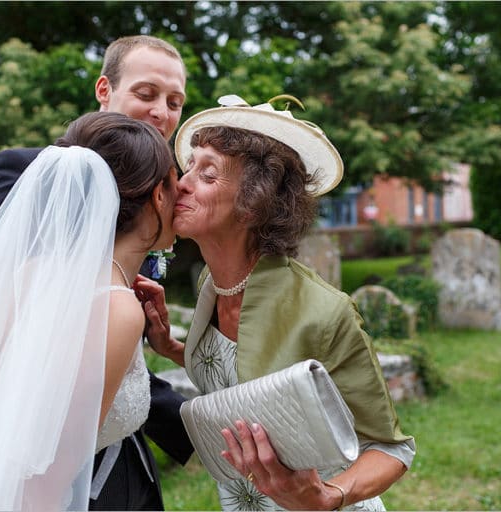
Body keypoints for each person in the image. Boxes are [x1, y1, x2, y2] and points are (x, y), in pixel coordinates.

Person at [0, 35, 192, 510]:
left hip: (119, 465)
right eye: (146, 93)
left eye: (174, 102)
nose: (161, 113)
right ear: (105, 90)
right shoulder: (29, 175)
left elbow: (92, 357)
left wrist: (193, 429)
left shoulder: (152, 206)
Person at [138, 95, 416, 511]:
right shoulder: (211, 284)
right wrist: (174, 348)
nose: (181, 183)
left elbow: (391, 448)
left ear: (254, 203)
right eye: (189, 166)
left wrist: (328, 496)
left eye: (207, 174)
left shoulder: (325, 312)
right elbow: (245, 376)